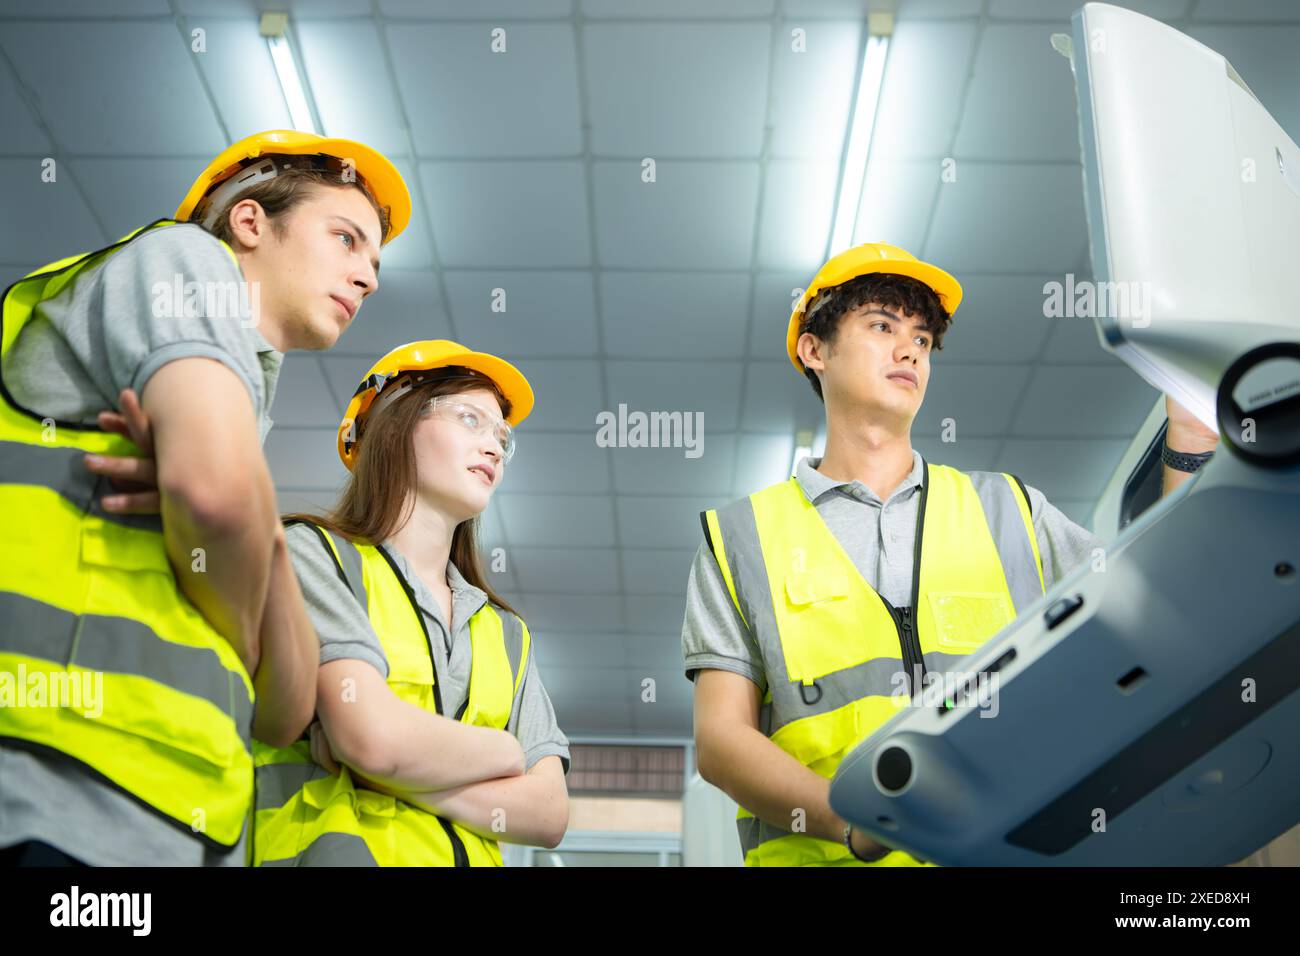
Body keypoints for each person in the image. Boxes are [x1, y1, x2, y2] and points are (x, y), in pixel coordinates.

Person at [683, 242, 1220, 866]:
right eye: (882, 326)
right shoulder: (738, 538)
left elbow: (1157, 603)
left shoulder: (1009, 510)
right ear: (814, 349)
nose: (909, 348)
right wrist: (855, 821)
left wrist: (1189, 441)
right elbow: (721, 742)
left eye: (922, 338)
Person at [0, 129, 410, 866]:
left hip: (182, 829)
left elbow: (284, 710)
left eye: (374, 261)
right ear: (251, 222)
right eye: (346, 239)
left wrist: (265, 539)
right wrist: (239, 518)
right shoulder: (183, 261)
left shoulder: (243, 404)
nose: (369, 277)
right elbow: (217, 504)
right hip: (56, 800)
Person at [253, 340, 571, 866]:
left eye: (502, 438)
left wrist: (396, 773)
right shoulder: (316, 557)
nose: (493, 447)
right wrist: (503, 753)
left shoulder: (507, 633)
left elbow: (549, 813)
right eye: (470, 419)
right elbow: (371, 740)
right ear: (398, 423)